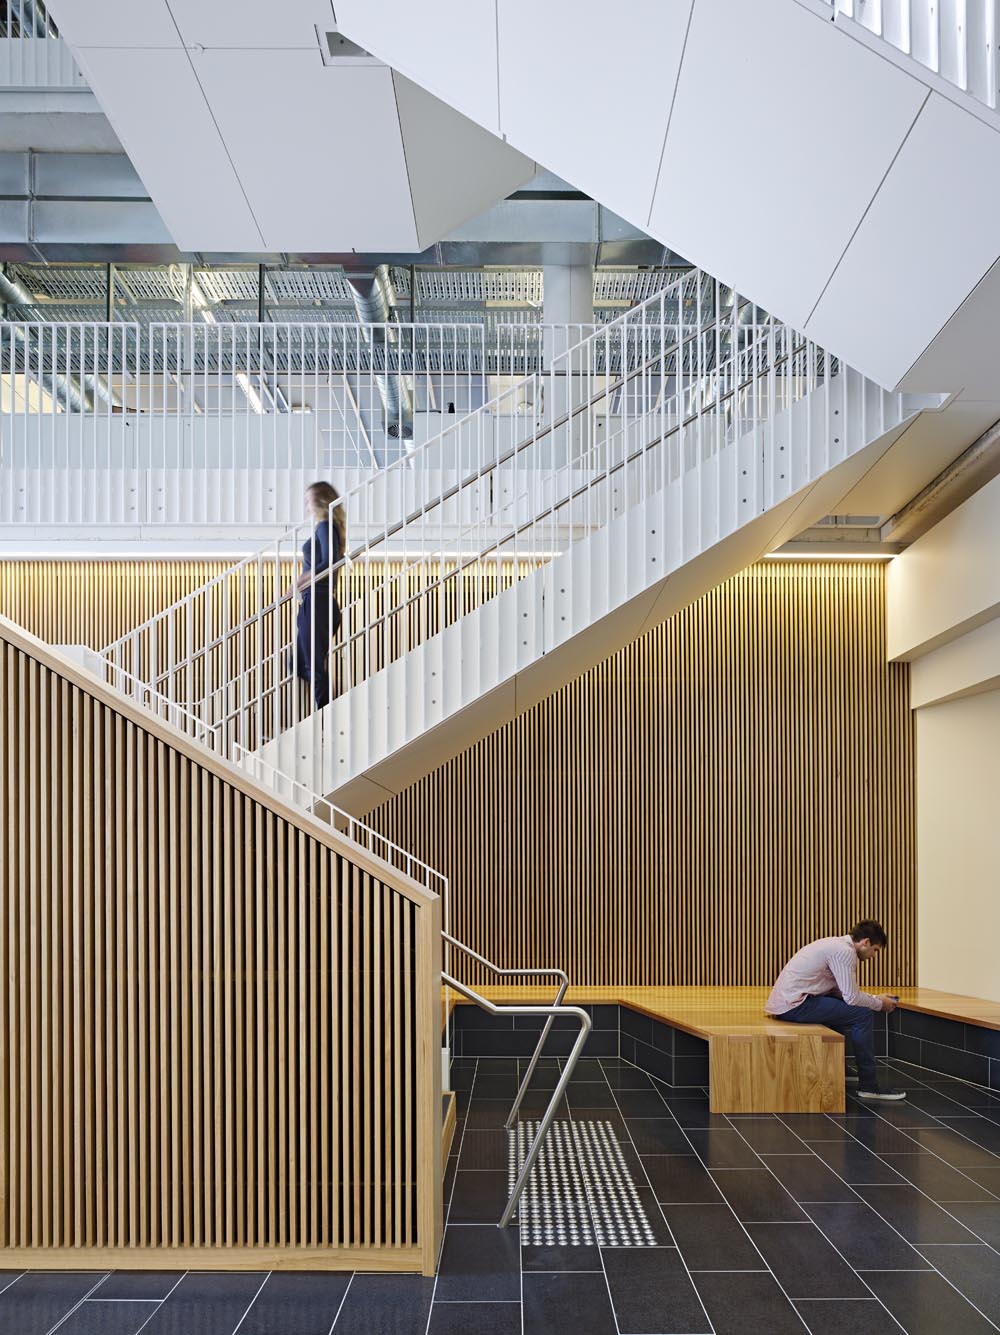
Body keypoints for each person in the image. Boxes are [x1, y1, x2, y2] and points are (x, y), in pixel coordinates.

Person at [765, 920, 906, 1102]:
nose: (873, 956)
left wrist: (874, 997)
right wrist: (879, 1004)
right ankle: (869, 1086)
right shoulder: (844, 952)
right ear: (866, 942)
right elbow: (852, 998)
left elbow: (843, 992)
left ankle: (840, 1069)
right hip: (794, 1004)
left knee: (841, 1007)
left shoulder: (835, 945)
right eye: (875, 950)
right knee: (862, 1015)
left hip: (788, 1002)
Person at [294, 481, 345, 710]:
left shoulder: (326, 526)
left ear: (322, 500)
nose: (306, 504)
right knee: (296, 663)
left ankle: (325, 713)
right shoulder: (322, 528)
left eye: (309, 498)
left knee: (313, 665)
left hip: (319, 601)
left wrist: (304, 578)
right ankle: (327, 705)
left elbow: (330, 561)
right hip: (312, 601)